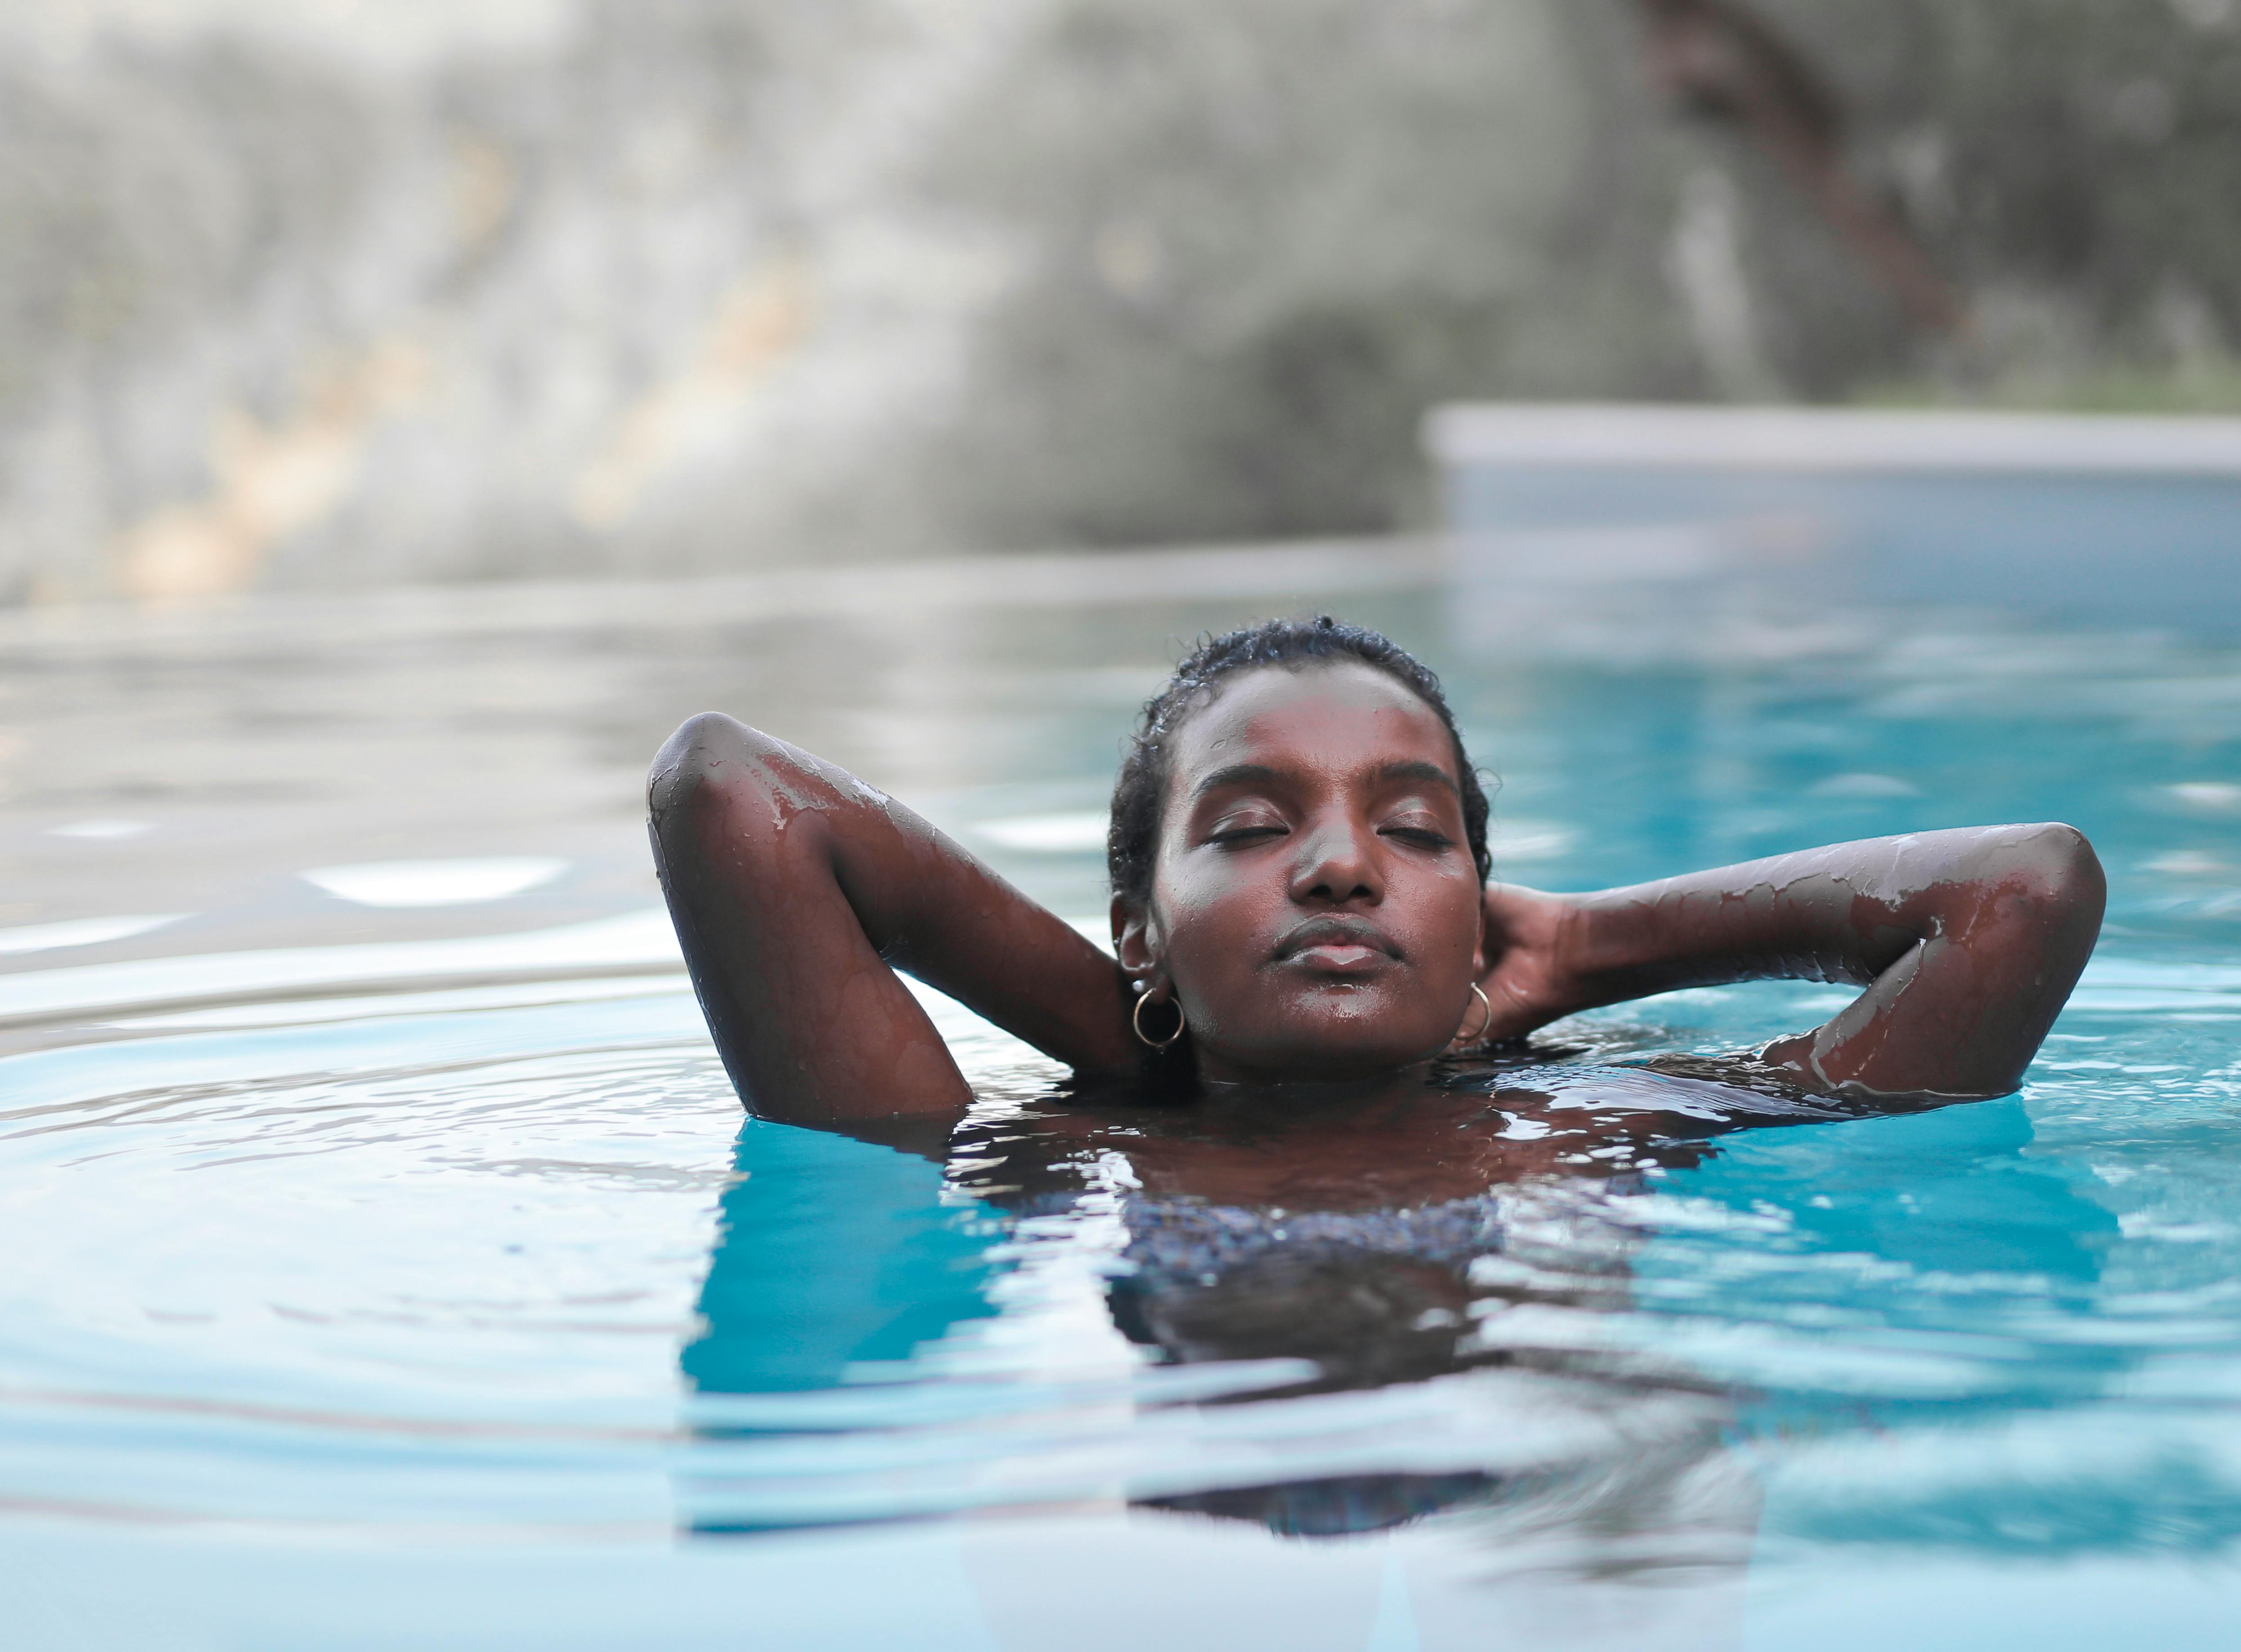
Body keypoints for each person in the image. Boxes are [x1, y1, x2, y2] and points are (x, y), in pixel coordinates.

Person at [651, 615, 2105, 1536]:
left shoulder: (1617, 1121)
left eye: (1414, 832)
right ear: (1141, 922)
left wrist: (1588, 945)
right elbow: (730, 793)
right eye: (1249, 828)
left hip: (1553, 1527)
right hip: (1148, 1554)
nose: (1344, 866)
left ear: (1480, 913)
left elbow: (2022, 894)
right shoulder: (1052, 1154)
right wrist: (1137, 1027)